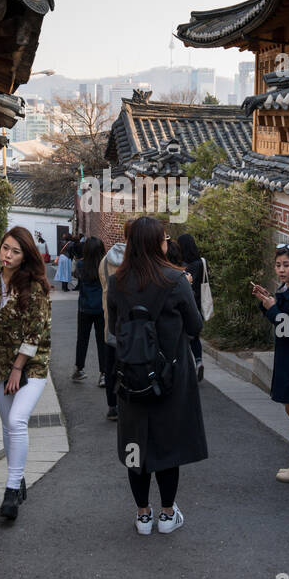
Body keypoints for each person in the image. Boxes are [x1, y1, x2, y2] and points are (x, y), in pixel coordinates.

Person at [108, 215, 207, 535]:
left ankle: (142, 514)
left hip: (131, 376)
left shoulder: (117, 282)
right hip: (171, 376)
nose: (168, 243)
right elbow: (195, 327)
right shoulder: (175, 280)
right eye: (164, 238)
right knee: (168, 445)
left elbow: (112, 329)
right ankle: (167, 515)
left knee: (137, 445)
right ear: (156, 243)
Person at [0, 227, 53, 521]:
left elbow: (36, 332)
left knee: (16, 419)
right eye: (5, 248)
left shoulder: (34, 287)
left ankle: (11, 490)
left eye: (15, 251)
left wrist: (18, 368)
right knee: (8, 425)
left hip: (32, 365)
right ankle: (17, 477)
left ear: (26, 257)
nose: (7, 255)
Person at [250, 243, 289, 482]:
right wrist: (268, 301)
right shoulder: (288, 288)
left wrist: (273, 309)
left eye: (286, 265)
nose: (281, 270)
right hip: (288, 357)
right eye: (278, 265)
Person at [98, 221, 132, 419]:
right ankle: (129, 402)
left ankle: (112, 406)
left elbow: (104, 286)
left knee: (111, 366)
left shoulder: (104, 261)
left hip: (109, 321)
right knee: (131, 364)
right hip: (131, 324)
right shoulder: (137, 261)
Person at [72, 236, 109, 382]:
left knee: (82, 339)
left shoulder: (81, 265)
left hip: (84, 307)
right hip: (101, 307)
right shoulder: (105, 265)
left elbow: (75, 275)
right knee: (102, 340)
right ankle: (104, 374)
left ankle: (79, 369)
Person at [178, 233, 207, 382]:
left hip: (185, 305)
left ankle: (186, 368)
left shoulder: (182, 265)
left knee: (183, 337)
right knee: (195, 336)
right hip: (198, 305)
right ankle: (199, 360)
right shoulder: (201, 262)